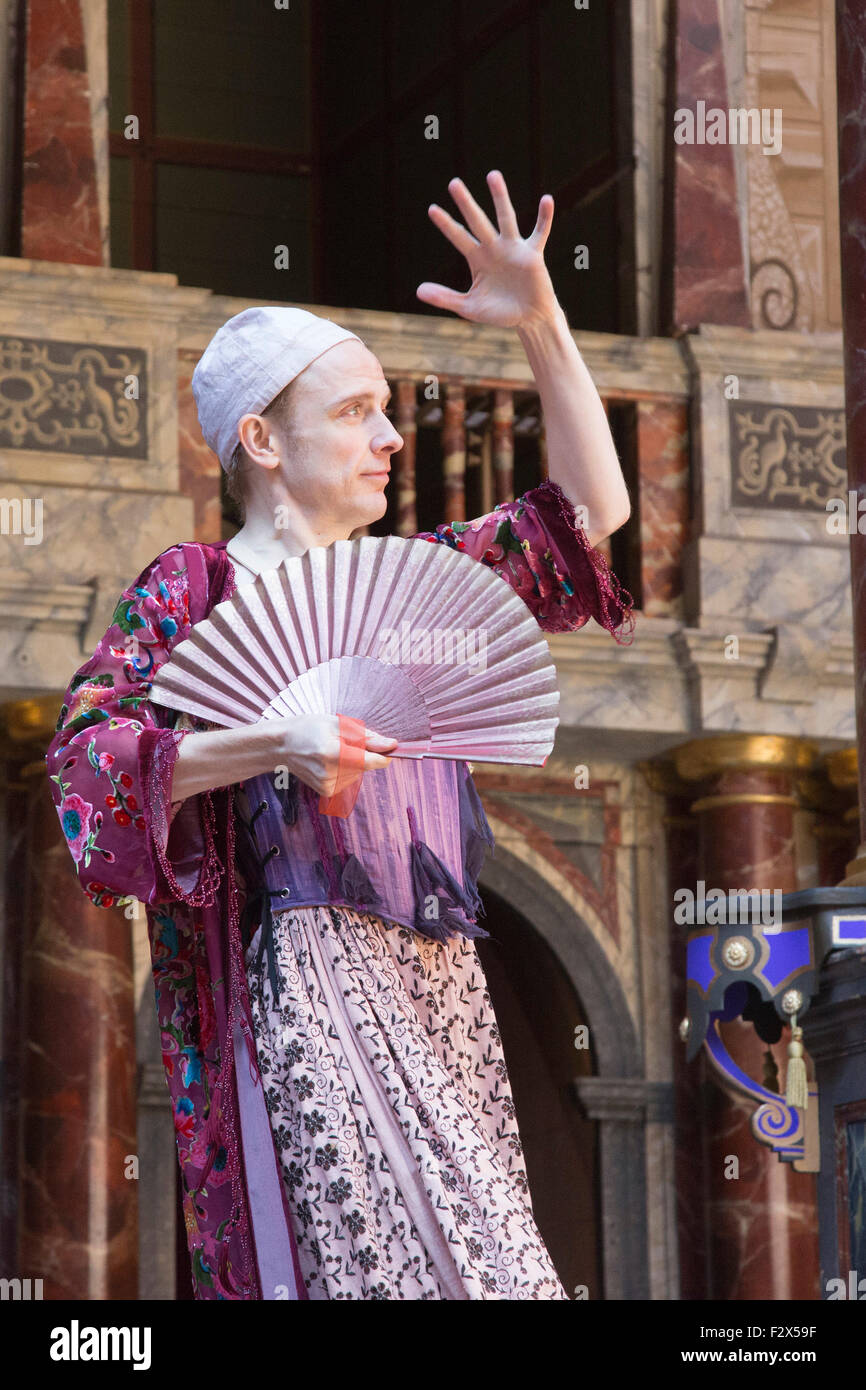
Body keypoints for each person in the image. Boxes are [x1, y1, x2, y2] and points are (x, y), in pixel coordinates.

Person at [45, 170, 634, 1299]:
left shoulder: (421, 581)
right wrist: (273, 742)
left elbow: (588, 514)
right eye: (354, 413)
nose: (390, 439)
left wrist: (542, 323)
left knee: (498, 1272)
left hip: (442, 972)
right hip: (304, 978)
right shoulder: (196, 588)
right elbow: (88, 768)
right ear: (262, 440)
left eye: (385, 410)